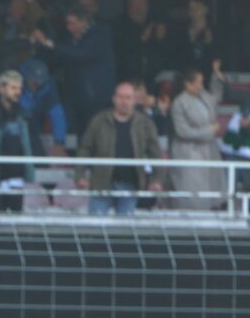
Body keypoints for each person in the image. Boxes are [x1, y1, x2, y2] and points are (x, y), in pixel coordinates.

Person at [77, 80, 165, 215]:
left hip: (131, 184)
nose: (124, 101)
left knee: (125, 230)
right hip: (101, 183)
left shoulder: (145, 123)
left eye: (128, 98)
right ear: (114, 99)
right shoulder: (99, 121)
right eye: (120, 97)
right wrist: (80, 175)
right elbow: (85, 148)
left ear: (135, 100)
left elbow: (155, 153)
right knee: (96, 228)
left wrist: (157, 179)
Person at [31, 4, 116, 133]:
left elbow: (80, 54)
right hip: (73, 97)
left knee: (94, 135)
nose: (68, 27)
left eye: (72, 23)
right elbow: (59, 57)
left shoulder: (100, 35)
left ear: (84, 22)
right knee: (73, 135)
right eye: (67, 24)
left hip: (95, 99)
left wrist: (48, 43)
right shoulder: (70, 38)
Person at [170, 62, 227, 211]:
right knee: (193, 190)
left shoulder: (204, 96)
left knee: (213, 188)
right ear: (187, 84)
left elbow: (216, 99)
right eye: (197, 83)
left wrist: (217, 78)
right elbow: (182, 131)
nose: (200, 86)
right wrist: (208, 131)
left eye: (201, 82)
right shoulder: (179, 103)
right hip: (189, 152)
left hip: (209, 149)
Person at [0, 70, 36, 213]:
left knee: (14, 225)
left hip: (15, 175)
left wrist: (29, 171)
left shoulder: (23, 115)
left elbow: (27, 145)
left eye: (20, 88)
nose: (18, 92)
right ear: (1, 88)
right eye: (13, 88)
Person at [17, 58, 68, 156]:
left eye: (39, 82)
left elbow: (57, 114)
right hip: (15, 126)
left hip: (34, 126)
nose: (36, 85)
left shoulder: (48, 87)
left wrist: (59, 142)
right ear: (26, 78)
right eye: (33, 81)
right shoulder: (16, 83)